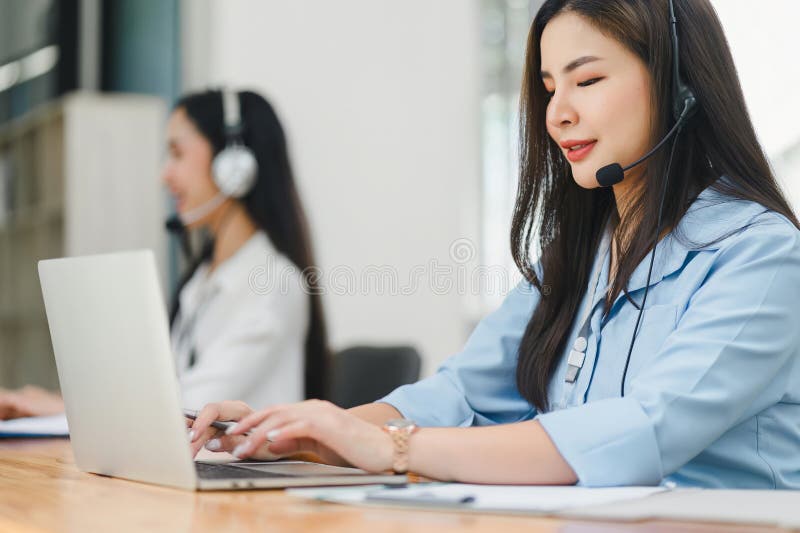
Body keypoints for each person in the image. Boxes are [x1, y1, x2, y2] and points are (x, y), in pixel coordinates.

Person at [188, 0, 797, 489]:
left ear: (678, 87)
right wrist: (309, 432)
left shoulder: (763, 257)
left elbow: (647, 429)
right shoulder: (579, 252)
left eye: (586, 79)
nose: (557, 112)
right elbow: (461, 393)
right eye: (549, 86)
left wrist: (390, 449)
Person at [0, 89, 328, 417]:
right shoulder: (202, 281)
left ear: (234, 165)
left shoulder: (273, 283)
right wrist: (62, 402)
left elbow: (192, 402)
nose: (164, 174)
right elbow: (161, 390)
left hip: (239, 466)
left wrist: (63, 408)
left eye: (177, 154)